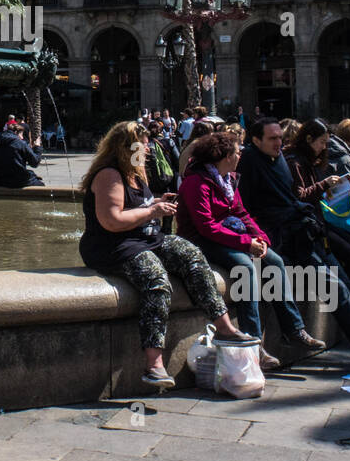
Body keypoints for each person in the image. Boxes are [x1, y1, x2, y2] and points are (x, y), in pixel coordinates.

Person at [238, 116, 350, 379]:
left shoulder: (278, 160)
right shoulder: (251, 162)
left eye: (280, 137)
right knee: (341, 297)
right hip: (290, 246)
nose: (279, 143)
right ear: (256, 140)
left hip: (308, 237)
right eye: (272, 138)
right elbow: (247, 210)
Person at [80, 121, 251, 388]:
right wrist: (152, 211)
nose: (148, 148)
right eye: (143, 143)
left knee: (191, 254)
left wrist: (156, 202)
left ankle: (224, 327)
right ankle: (154, 364)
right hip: (115, 246)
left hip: (145, 238)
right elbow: (111, 221)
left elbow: (136, 207)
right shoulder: (109, 175)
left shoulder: (135, 173)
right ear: (127, 147)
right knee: (156, 280)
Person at [177, 129, 326, 372]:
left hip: (229, 235)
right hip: (202, 241)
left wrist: (260, 238)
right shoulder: (197, 182)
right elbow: (206, 227)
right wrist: (246, 244)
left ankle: (294, 329)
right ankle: (254, 341)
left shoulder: (227, 179)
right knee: (245, 267)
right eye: (237, 151)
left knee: (274, 260)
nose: (240, 155)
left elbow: (241, 213)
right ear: (224, 156)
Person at [285, 119, 350, 299]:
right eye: (322, 143)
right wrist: (324, 184)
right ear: (309, 139)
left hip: (320, 221)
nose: (324, 147)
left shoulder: (310, 161)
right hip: (310, 227)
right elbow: (300, 195)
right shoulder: (295, 162)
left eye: (326, 143)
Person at [0, 121, 43, 188]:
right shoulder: (20, 143)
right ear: (16, 133)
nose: (22, 138)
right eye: (21, 134)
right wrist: (37, 147)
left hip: (2, 180)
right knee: (41, 185)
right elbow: (35, 162)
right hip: (19, 180)